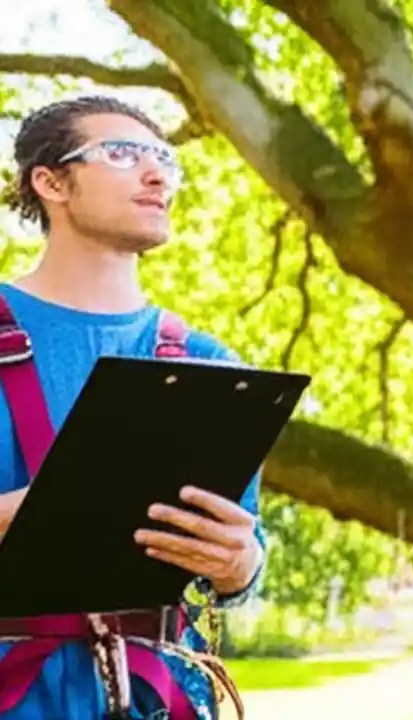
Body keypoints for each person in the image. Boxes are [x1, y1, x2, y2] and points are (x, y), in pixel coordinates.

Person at [0, 96, 266, 718]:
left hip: (160, 697)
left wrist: (240, 563)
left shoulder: (210, 365)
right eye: (122, 154)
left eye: (165, 160)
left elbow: (244, 547)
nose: (156, 175)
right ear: (50, 182)